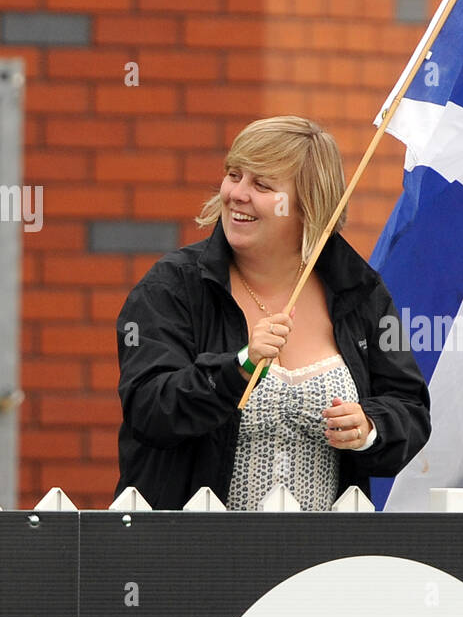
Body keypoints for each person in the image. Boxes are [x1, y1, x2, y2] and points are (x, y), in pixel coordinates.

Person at [114, 116, 431, 510]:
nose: (236, 194)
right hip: (194, 556)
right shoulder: (171, 287)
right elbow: (149, 408)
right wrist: (236, 369)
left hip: (320, 565)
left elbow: (411, 408)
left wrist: (369, 428)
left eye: (262, 185)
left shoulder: (362, 292)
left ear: (308, 204)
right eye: (234, 175)